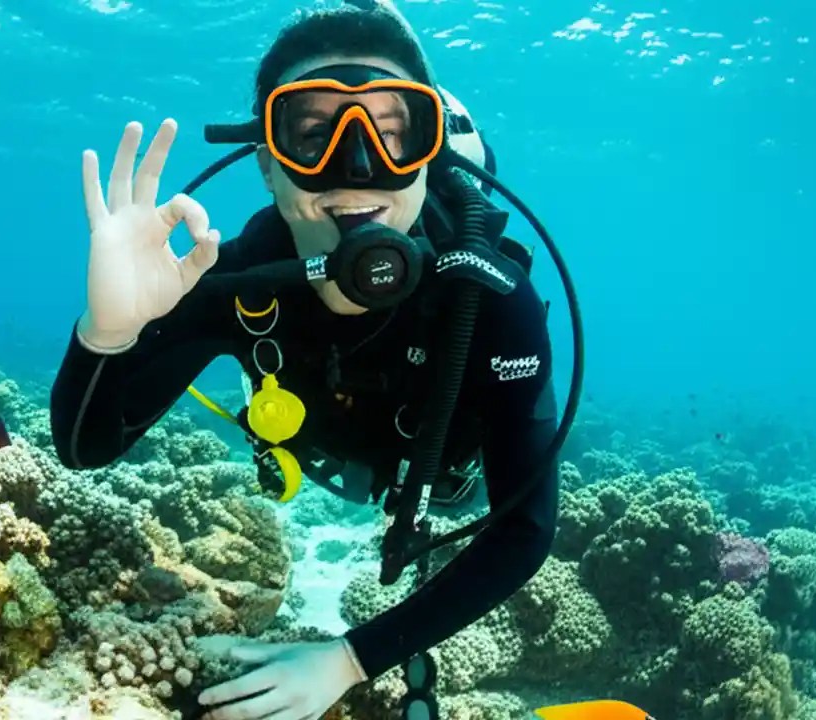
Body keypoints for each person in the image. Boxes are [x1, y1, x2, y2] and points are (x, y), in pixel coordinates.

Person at [50, 3, 583, 719]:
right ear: (268, 165)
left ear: (429, 155)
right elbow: (86, 448)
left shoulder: (488, 300)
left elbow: (523, 533)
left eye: (394, 135)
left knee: (459, 492)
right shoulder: (233, 282)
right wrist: (104, 335)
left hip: (442, 472)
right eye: (311, 136)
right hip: (324, 446)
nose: (358, 169)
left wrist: (347, 660)